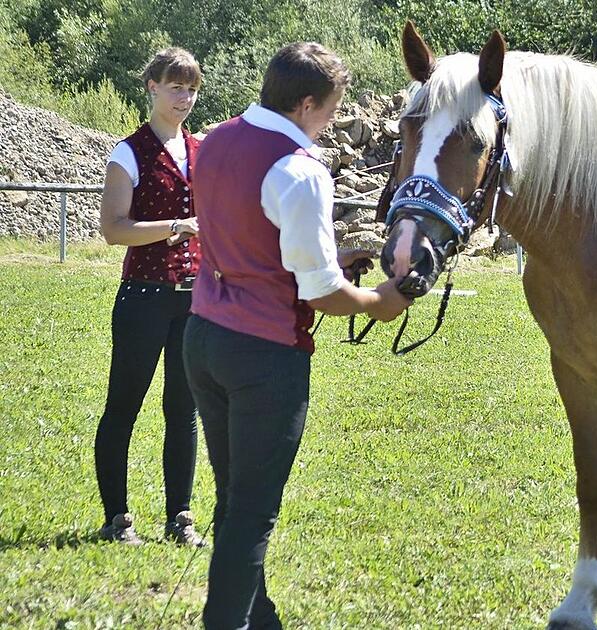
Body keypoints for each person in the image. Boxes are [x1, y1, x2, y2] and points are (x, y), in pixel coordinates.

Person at [183, 41, 410, 629]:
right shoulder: (302, 169)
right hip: (264, 355)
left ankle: (262, 621)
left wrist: (334, 257)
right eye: (332, 109)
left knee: (234, 499)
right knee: (251, 513)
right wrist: (384, 302)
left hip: (204, 334)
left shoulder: (211, 142)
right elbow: (323, 295)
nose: (334, 121)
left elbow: (247, 232)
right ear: (307, 103)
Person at [95, 47, 207, 547]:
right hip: (143, 297)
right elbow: (113, 230)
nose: (184, 97)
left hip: (193, 300)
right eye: (175, 86)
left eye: (191, 88)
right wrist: (176, 228)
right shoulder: (128, 152)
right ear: (152, 88)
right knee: (124, 406)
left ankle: (179, 517)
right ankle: (117, 517)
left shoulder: (202, 150)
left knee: (184, 411)